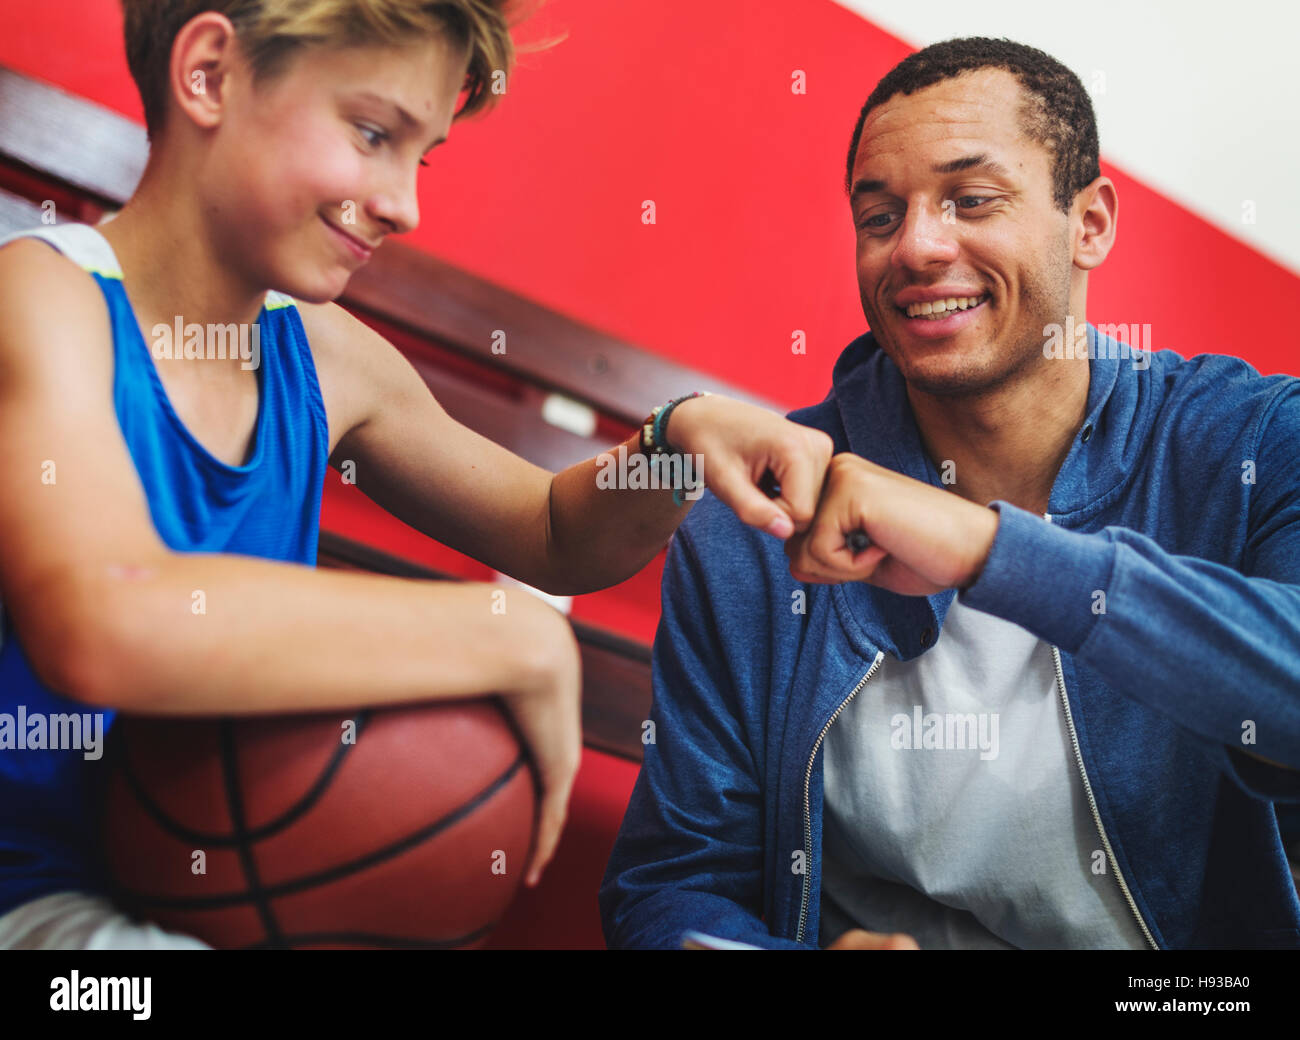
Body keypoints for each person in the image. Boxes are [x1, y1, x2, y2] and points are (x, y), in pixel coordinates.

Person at [0, 0, 833, 950]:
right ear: (209, 75)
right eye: (371, 133)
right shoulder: (42, 299)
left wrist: (675, 442)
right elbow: (104, 620)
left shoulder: (324, 359)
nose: (404, 203)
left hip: (191, 901)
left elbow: (553, 531)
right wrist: (502, 632)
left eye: (421, 155)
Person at [599, 36, 1300, 950]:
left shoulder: (1250, 441)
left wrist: (986, 550)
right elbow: (673, 886)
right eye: (880, 215)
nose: (918, 248)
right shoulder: (756, 521)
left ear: (1090, 223)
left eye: (972, 200)